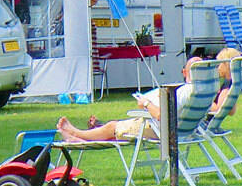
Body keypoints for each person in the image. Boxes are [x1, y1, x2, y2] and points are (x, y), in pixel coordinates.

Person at [57, 56, 205, 143]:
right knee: (115, 127)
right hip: (185, 130)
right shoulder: (203, 91)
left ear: (184, 72)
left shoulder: (185, 91)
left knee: (113, 127)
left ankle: (77, 135)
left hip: (163, 130)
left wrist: (146, 103)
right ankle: (86, 134)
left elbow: (161, 115)